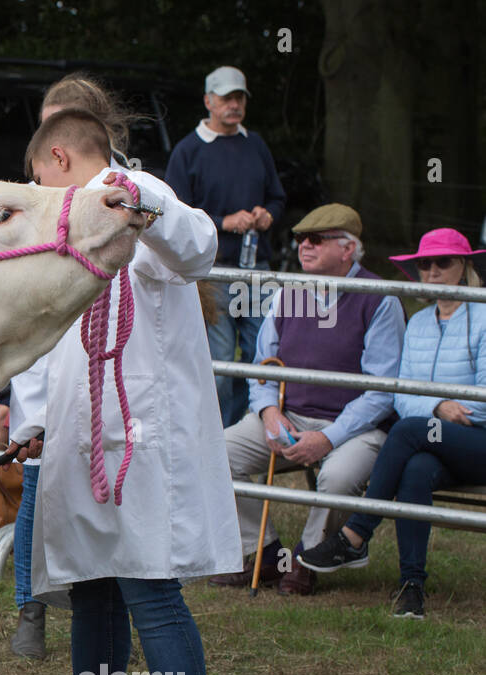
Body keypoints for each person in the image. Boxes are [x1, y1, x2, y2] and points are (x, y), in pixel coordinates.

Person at [1, 107, 241, 675]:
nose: (38, 189)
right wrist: (35, 416)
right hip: (80, 436)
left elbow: (199, 248)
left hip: (145, 440)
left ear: (63, 159)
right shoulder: (63, 235)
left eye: (41, 175)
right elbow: (46, 330)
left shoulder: (140, 202)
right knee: (93, 591)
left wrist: (142, 202)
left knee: (149, 589)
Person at [7, 72, 147, 661]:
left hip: (122, 402)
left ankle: (128, 618)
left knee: (124, 543)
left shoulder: (138, 198)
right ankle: (30, 607)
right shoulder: (43, 203)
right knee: (37, 503)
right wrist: (30, 418)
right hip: (59, 391)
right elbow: (30, 314)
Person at [211, 203, 405, 596]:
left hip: (356, 428)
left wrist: (329, 437)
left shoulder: (379, 300)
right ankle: (263, 551)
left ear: (348, 249)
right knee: (211, 452)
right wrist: (268, 412)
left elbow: (382, 391)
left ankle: (306, 558)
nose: (304, 247)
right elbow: (264, 365)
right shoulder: (289, 295)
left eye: (316, 239)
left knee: (337, 477)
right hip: (288, 415)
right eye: (300, 239)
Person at [299, 229, 486, 619]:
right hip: (434, 441)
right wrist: (438, 406)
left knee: (407, 430)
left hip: (476, 441)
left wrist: (435, 411)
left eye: (443, 263)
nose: (432, 271)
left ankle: (356, 532)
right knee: (416, 470)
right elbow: (400, 394)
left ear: (465, 267)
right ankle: (412, 587)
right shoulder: (418, 323)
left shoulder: (484, 315)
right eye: (425, 264)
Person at [165, 66, 286, 428]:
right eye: (227, 98)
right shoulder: (188, 150)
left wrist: (268, 215)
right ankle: (217, 439)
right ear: (208, 101)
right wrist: (222, 223)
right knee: (218, 362)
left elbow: (278, 198)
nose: (234, 105)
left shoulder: (256, 144)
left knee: (259, 356)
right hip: (212, 270)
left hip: (256, 266)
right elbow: (176, 214)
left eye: (240, 98)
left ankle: (249, 435)